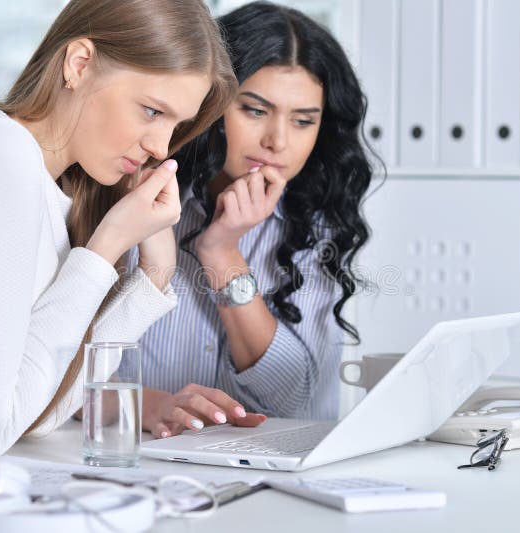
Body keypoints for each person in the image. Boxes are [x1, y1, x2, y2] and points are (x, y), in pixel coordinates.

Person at [0, 0, 241, 489]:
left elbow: (39, 415)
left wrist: (153, 276)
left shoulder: (53, 191)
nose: (160, 148)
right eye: (151, 110)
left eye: (175, 125)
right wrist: (104, 250)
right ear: (78, 64)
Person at [139, 1, 373, 438]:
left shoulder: (319, 224)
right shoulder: (141, 201)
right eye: (254, 110)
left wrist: (222, 252)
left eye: (303, 121)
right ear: (210, 102)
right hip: (142, 463)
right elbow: (62, 374)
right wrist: (145, 405)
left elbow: (292, 401)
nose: (277, 141)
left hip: (271, 475)